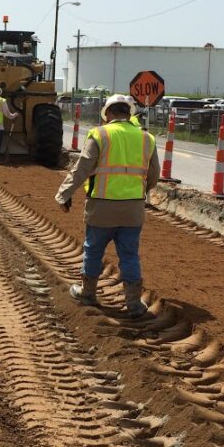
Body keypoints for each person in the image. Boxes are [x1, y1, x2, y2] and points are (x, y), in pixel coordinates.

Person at [56, 93, 160, 317]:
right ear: (128, 113)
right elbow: (154, 174)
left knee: (93, 250)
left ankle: (88, 292)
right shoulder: (146, 138)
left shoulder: (100, 134)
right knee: (130, 255)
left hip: (102, 207)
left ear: (109, 113)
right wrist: (140, 191)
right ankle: (133, 303)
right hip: (132, 209)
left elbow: (82, 168)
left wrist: (64, 193)